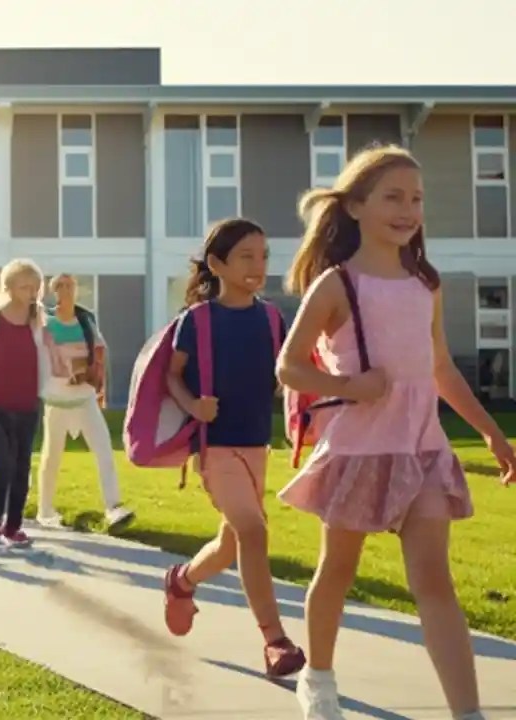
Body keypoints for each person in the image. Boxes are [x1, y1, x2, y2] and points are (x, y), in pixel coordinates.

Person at [276, 146, 515, 720]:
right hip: (360, 451)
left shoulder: (425, 284)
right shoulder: (337, 285)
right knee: (338, 569)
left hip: (423, 449)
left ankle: (468, 714)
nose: (408, 209)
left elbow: (440, 368)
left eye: (417, 199)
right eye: (393, 197)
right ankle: (319, 676)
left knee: (434, 580)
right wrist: (352, 385)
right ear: (355, 206)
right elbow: (288, 366)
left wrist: (491, 434)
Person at [161, 218, 306, 679]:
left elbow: (286, 375)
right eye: (246, 256)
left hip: (256, 445)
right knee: (254, 531)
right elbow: (171, 374)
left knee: (232, 542)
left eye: (263, 256)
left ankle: (182, 582)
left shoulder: (270, 317)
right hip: (216, 449)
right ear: (217, 264)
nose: (257, 265)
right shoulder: (197, 320)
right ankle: (274, 641)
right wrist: (193, 405)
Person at [0, 258, 65, 547]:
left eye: (36, 287)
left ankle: (14, 526)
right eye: (25, 286)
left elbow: (47, 358)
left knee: (22, 464)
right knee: (2, 461)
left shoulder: (39, 319)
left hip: (27, 402)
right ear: (8, 287)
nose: (32, 292)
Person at [37, 273, 134, 532]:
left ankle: (113, 507)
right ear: (53, 291)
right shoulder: (45, 322)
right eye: (61, 286)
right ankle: (44, 509)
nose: (66, 290)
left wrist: (94, 377)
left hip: (85, 397)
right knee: (51, 457)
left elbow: (99, 350)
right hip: (57, 400)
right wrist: (70, 369)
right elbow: (47, 358)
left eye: (71, 285)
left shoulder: (86, 319)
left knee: (104, 450)